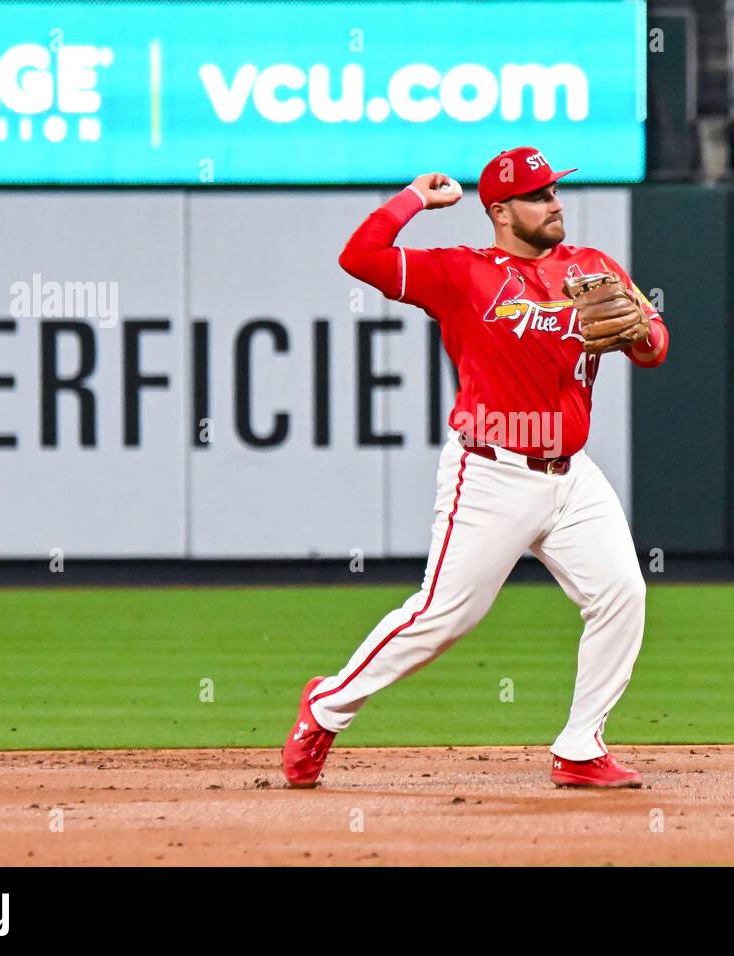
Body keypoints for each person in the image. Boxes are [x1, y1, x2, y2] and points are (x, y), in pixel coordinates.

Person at [282, 147, 670, 790]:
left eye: (554, 191)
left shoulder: (593, 266)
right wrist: (411, 199)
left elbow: (655, 347)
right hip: (491, 471)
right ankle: (326, 706)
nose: (553, 203)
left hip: (572, 475)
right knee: (442, 617)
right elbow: (359, 257)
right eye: (538, 195)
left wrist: (638, 335)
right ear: (499, 211)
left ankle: (579, 748)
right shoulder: (462, 273)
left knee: (622, 595)